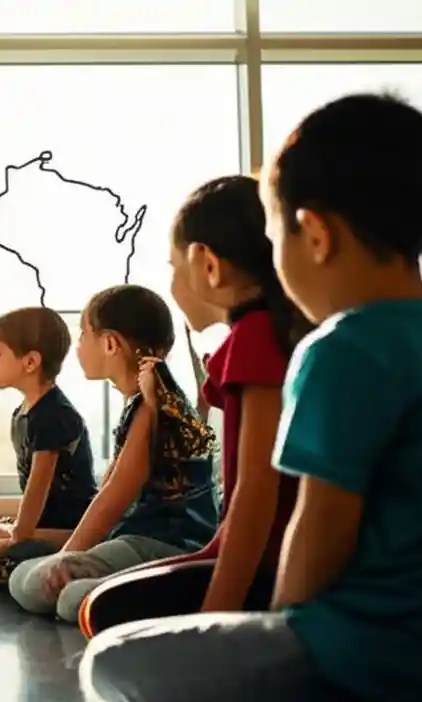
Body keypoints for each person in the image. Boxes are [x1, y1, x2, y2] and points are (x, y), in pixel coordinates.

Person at [81, 93, 422, 702]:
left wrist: (270, 642)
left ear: (317, 234)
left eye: (276, 237)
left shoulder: (341, 348)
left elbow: (318, 528)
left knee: (111, 660)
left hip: (359, 667)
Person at [77, 175, 311, 636]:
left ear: (208, 264)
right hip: (241, 555)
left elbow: (255, 494)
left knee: (96, 611)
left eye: (172, 265)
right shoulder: (261, 336)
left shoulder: (256, 338)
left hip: (264, 567)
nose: (171, 281)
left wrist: (215, 620)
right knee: (96, 605)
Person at [7, 284, 219, 622]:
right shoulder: (153, 398)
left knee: (48, 589)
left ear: (109, 343)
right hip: (139, 543)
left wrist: (64, 557)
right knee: (27, 577)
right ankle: (115, 587)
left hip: (162, 546)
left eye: (82, 335)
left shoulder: (151, 406)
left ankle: (149, 593)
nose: (78, 347)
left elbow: (114, 495)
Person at [0, 307, 98, 581]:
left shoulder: (55, 415)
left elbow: (38, 486)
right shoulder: (23, 414)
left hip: (71, 531)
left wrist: (19, 533)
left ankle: (3, 559)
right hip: (42, 527)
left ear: (31, 361)